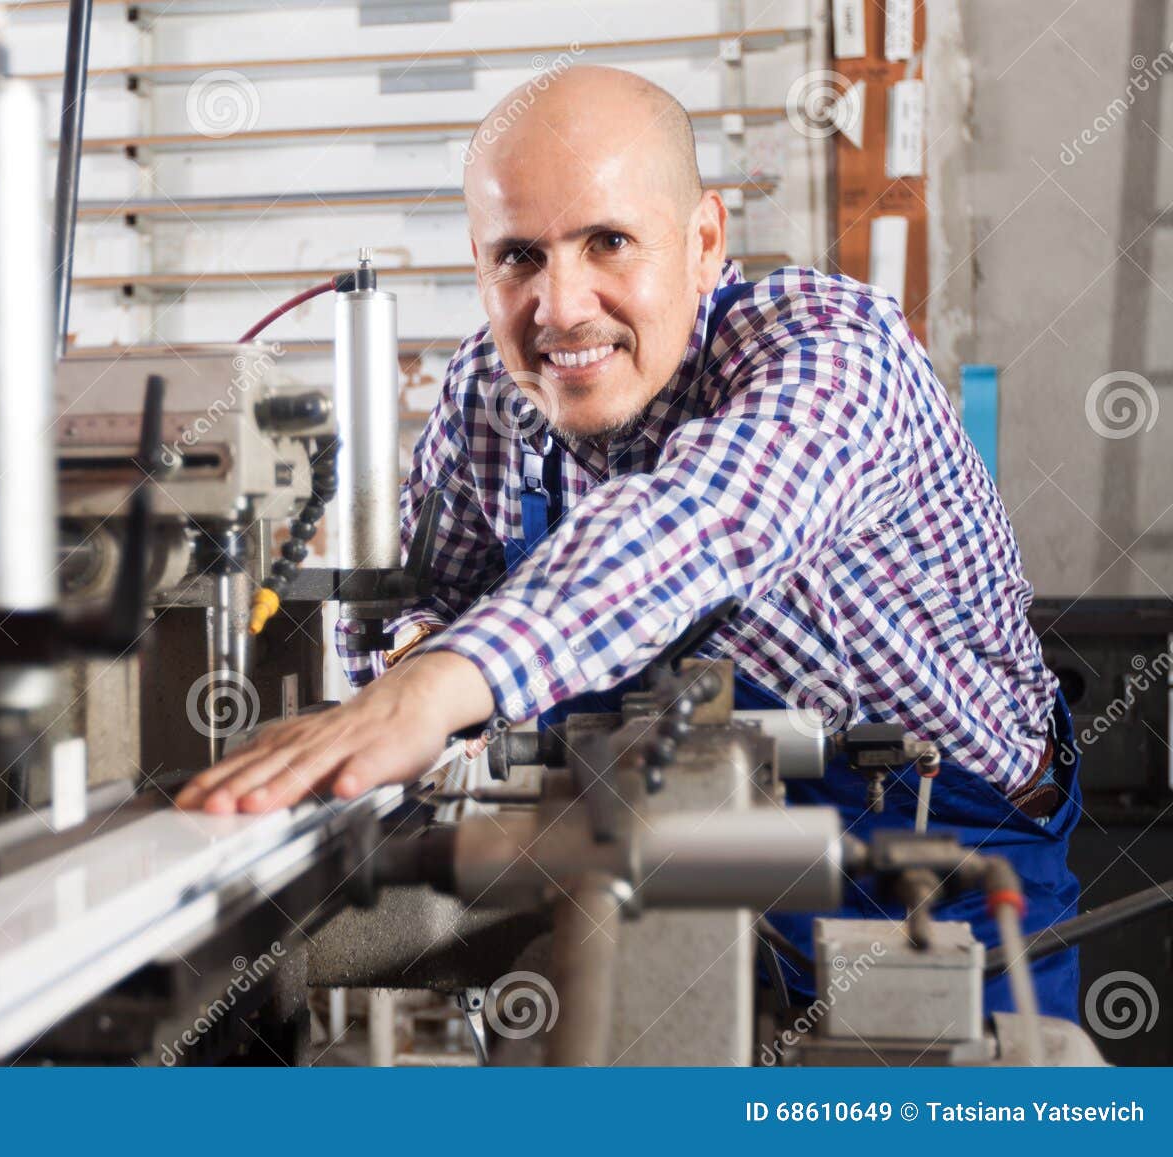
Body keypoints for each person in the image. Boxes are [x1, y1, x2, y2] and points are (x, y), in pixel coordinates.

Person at [176, 66, 1080, 1020]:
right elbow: (419, 599)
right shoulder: (491, 389)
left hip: (943, 868)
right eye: (518, 256)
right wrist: (407, 668)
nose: (561, 307)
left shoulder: (833, 350)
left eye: (607, 241)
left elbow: (693, 523)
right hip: (657, 861)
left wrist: (438, 685)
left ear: (702, 241)